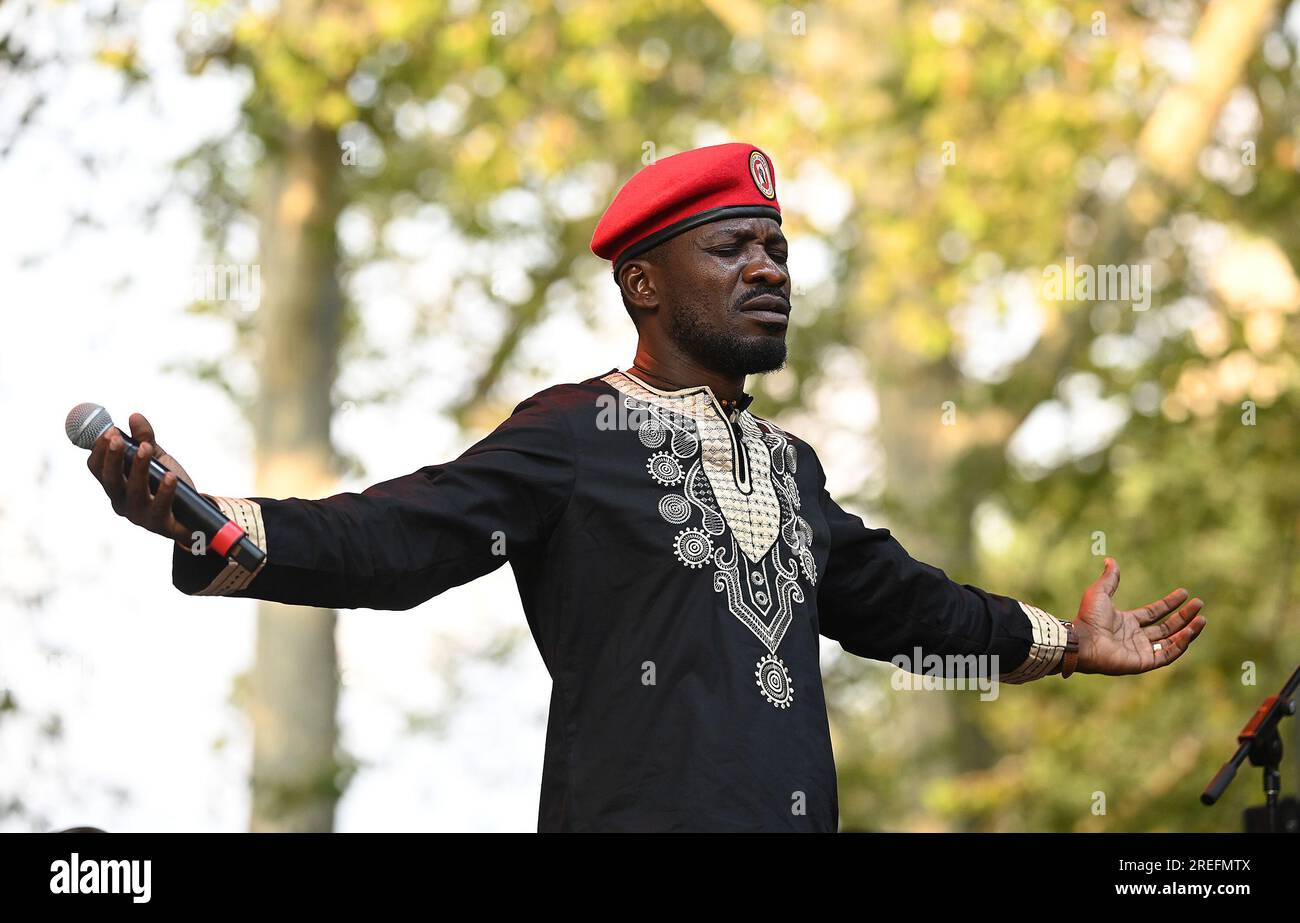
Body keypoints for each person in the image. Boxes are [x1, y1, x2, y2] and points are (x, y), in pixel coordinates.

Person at [84, 142, 1206, 832]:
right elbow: (402, 539)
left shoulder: (790, 469)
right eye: (731, 248)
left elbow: (909, 607)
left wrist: (1069, 643)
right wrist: (212, 524)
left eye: (776, 248)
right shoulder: (572, 433)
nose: (767, 268)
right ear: (643, 283)